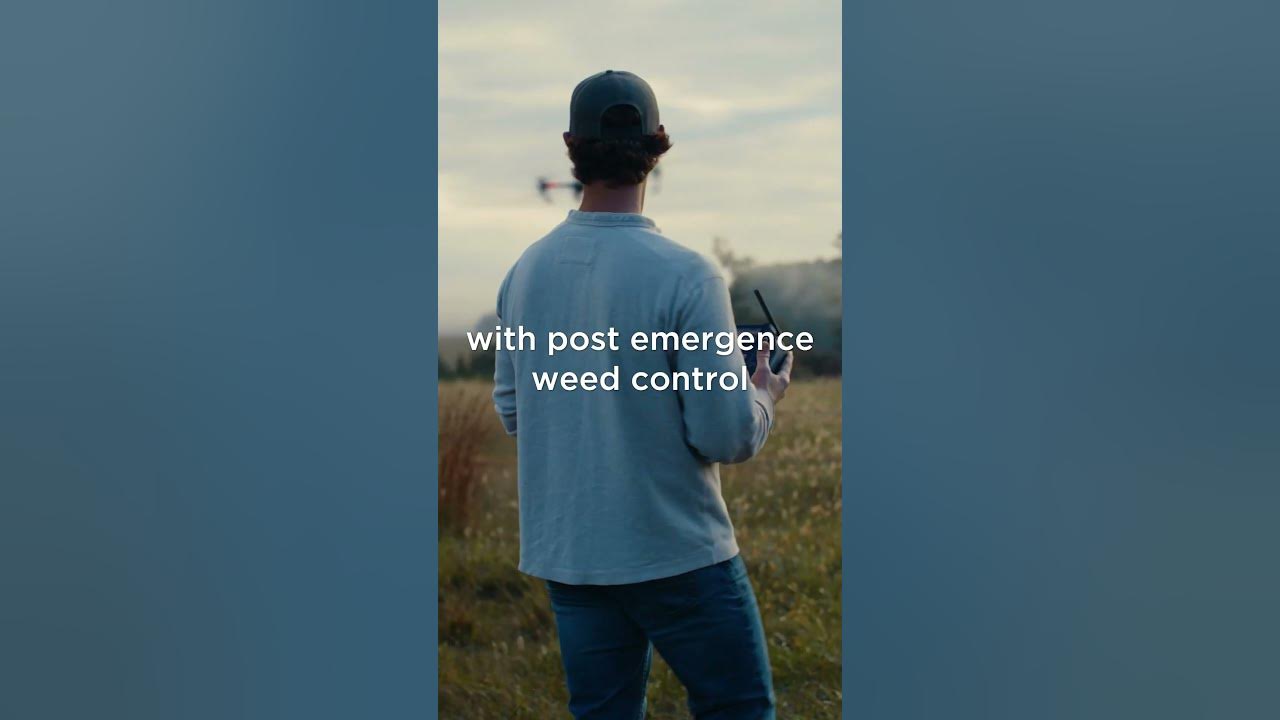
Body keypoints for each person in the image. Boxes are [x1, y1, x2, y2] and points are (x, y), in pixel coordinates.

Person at [492, 69, 792, 720]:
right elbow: (724, 435)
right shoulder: (687, 275)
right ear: (659, 145)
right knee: (738, 708)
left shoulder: (525, 273)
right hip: (677, 552)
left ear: (572, 147)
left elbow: (514, 408)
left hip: (571, 555)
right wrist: (762, 393)